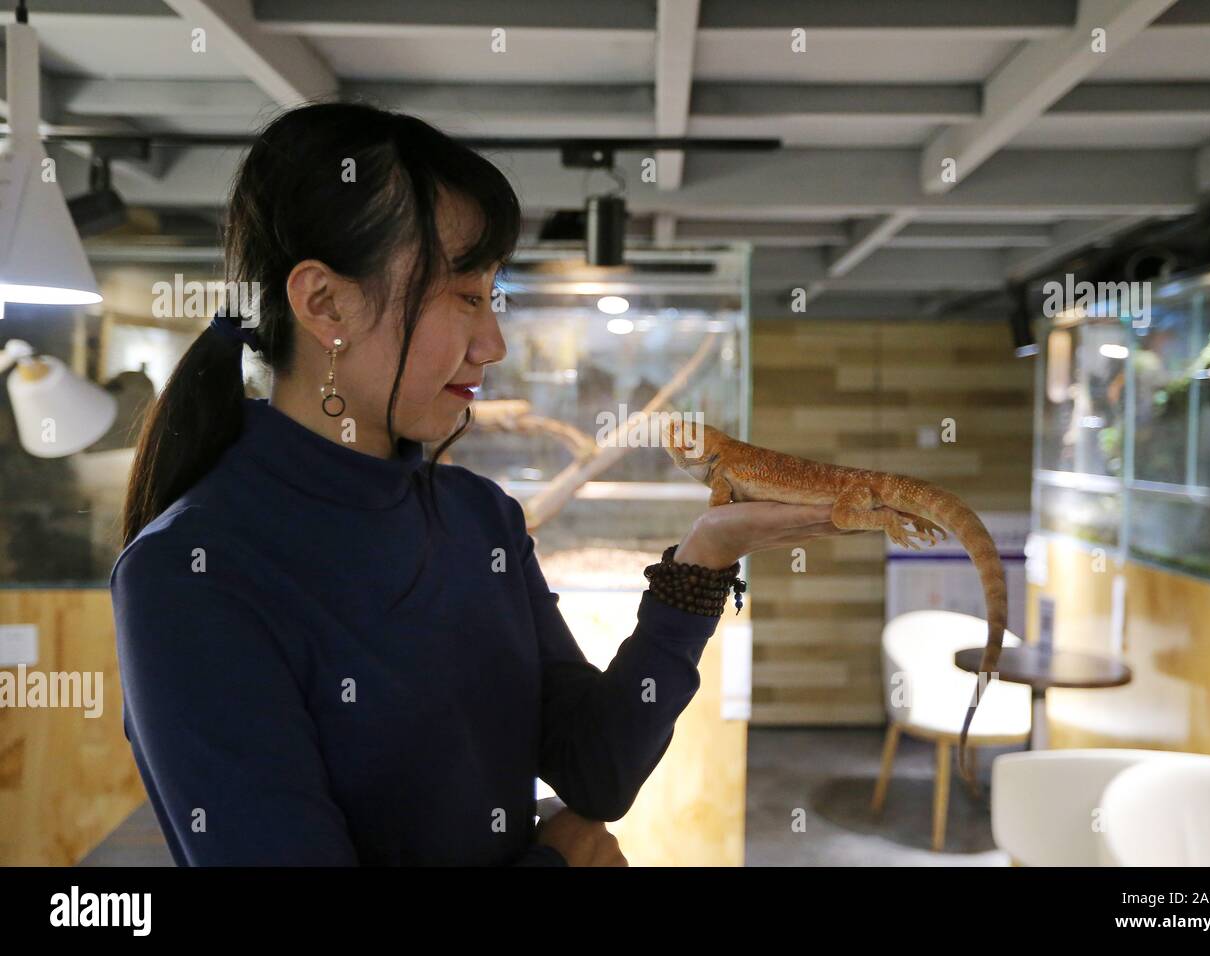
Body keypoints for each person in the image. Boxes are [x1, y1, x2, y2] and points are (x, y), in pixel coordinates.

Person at [111, 101, 860, 866]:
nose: (493, 343)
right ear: (325, 304)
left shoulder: (478, 520)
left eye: (492, 298)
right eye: (466, 297)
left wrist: (701, 565)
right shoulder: (192, 574)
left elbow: (595, 770)